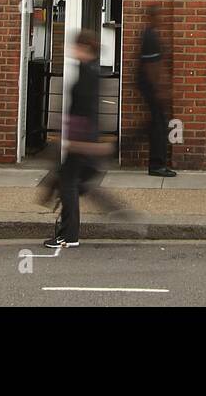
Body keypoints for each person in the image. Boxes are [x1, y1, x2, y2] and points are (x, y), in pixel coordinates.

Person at [44, 30, 128, 248]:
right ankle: (115, 214)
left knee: (69, 184)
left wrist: (75, 140)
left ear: (85, 49)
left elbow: (86, 109)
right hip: (81, 138)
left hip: (80, 139)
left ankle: (69, 235)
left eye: (76, 47)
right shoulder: (88, 70)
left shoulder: (88, 74)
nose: (72, 50)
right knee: (74, 183)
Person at [138, 5, 176, 177]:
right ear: (152, 17)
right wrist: (159, 89)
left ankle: (157, 163)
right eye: (159, 15)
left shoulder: (150, 34)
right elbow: (151, 66)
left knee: (156, 124)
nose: (161, 19)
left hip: (150, 87)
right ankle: (157, 165)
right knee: (158, 125)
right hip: (151, 88)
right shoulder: (150, 36)